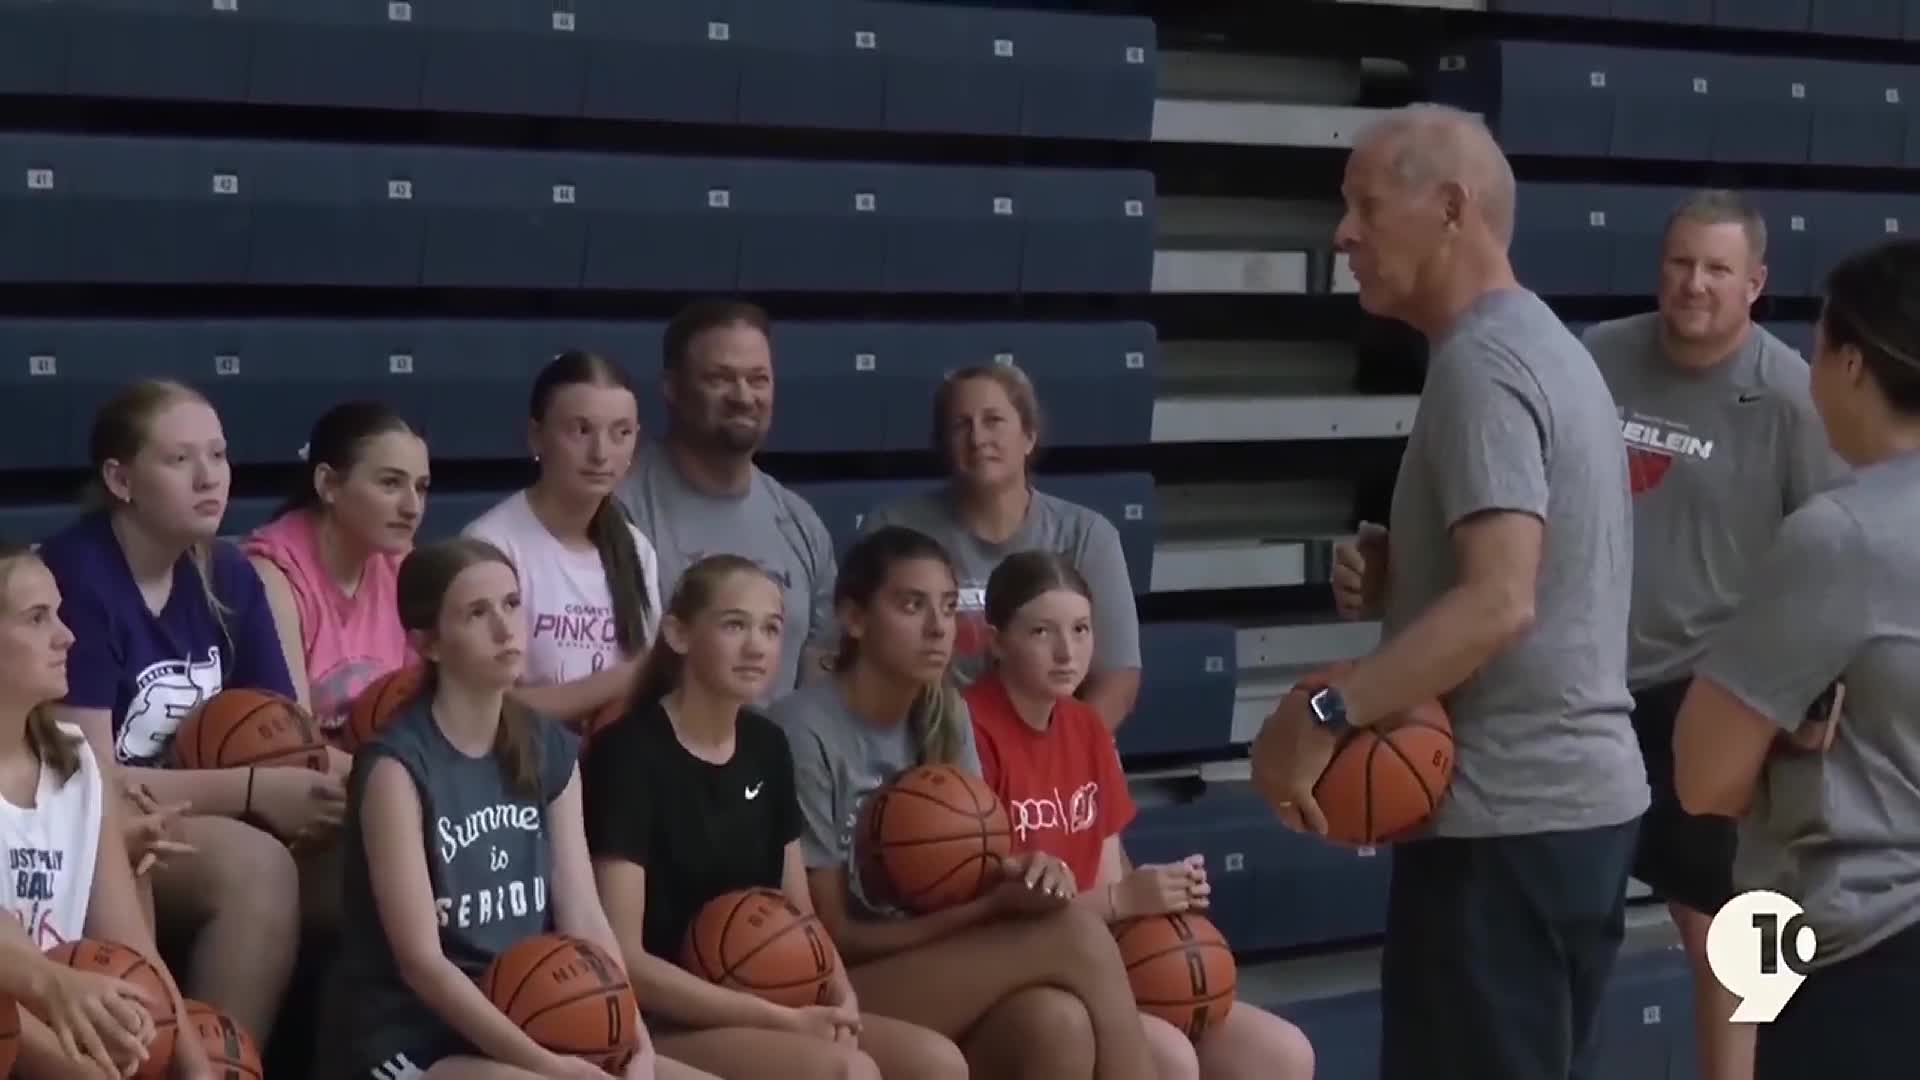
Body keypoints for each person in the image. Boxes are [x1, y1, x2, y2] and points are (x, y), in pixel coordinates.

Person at [1250, 105, 1649, 1080]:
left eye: (1365, 206)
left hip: (1505, 824)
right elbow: (1532, 579)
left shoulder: (1483, 367)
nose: (1343, 233)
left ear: (1452, 209)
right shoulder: (1551, 348)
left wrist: (1333, 712)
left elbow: (1500, 603)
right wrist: (1408, 569)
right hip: (1568, 814)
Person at [1582, 189, 1845, 1080]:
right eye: (1680, 263)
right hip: (1583, 686)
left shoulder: (1791, 399)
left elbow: (1835, 558)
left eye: (1717, 270)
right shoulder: (1598, 358)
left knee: (1736, 942)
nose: (1694, 284)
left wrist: (1807, 692)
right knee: (1561, 928)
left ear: (1756, 284)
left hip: (1709, 694)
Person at [771, 525, 1159, 1080]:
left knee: (1058, 1023)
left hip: (933, 957)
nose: (937, 629)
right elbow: (836, 932)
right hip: (842, 977)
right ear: (854, 618)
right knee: (1074, 933)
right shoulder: (801, 732)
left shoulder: (946, 714)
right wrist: (988, 909)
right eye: (912, 606)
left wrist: (1023, 873)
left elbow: (973, 863)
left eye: (949, 608)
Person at [320, 537, 711, 1080]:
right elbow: (423, 965)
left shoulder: (548, 746)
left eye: (510, 604)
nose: (505, 629)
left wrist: (629, 1034)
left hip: (529, 1012)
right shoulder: (396, 766)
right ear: (427, 643)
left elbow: (584, 915)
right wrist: (547, 1065)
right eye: (477, 614)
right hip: (411, 1034)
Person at [1674, 238, 1920, 1080]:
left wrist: (1776, 744)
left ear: (1852, 363)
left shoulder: (1841, 535)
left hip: (1862, 952)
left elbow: (1704, 777)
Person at [582, 553, 966, 1079]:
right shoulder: (626, 754)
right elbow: (625, 956)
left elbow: (801, 913)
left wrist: (840, 992)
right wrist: (778, 1016)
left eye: (771, 628)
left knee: (937, 1063)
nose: (757, 645)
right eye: (735, 625)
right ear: (677, 633)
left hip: (770, 997)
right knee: (847, 1072)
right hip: (663, 1017)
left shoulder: (767, 744)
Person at [40, 380, 336, 1046]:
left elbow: (288, 734)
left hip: (197, 805)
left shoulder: (230, 575)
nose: (209, 477)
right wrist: (256, 789)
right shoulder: (78, 579)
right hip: (102, 829)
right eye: (178, 461)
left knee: (377, 842)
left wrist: (384, 779)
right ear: (121, 478)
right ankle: (215, 1057)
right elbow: (87, 778)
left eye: (219, 455)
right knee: (256, 869)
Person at [965, 550, 1315, 1080]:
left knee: (1283, 1054)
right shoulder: (969, 730)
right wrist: (1122, 899)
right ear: (997, 641)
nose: (1067, 651)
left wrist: (1162, 896)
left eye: (1081, 630)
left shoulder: (1086, 728)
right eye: (1041, 632)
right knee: (1170, 1059)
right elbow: (991, 916)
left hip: (1101, 957)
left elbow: (1110, 880)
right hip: (1023, 973)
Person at [0, 542, 215, 1079]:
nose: (66, 636)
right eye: (36, 618)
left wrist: (195, 1068)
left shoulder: (74, 763)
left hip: (75, 1032)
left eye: (60, 613)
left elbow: (132, 943)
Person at [864, 365, 1140, 730]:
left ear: (1029, 436)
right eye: (961, 425)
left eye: (993, 420)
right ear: (943, 443)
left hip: (1044, 751)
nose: (977, 438)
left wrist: (1063, 756)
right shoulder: (893, 529)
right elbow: (856, 663)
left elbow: (1118, 679)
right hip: (926, 750)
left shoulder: (1086, 535)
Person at [617, 301, 837, 701]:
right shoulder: (622, 511)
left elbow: (819, 680)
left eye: (758, 379)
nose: (742, 396)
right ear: (672, 388)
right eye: (720, 378)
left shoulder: (800, 523)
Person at [466, 351, 661, 729]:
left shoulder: (636, 549)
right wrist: (618, 681)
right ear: (536, 436)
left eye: (620, 433)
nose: (601, 453)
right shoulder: (490, 545)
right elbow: (484, 705)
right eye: (581, 430)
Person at [245, 401, 427, 738]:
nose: (412, 507)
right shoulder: (272, 575)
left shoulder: (401, 565)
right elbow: (293, 743)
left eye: (421, 487)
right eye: (390, 483)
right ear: (328, 484)